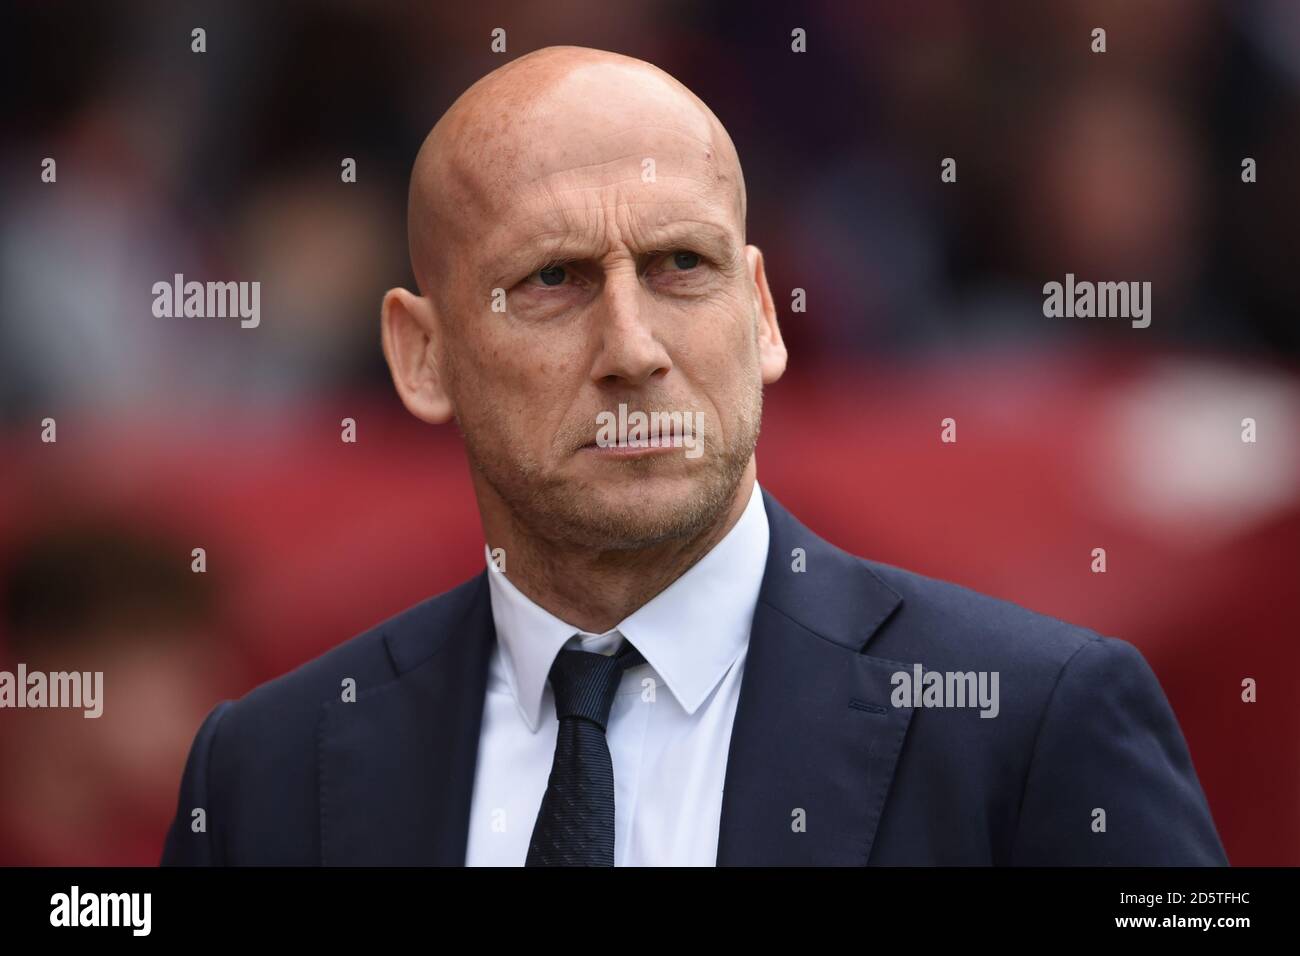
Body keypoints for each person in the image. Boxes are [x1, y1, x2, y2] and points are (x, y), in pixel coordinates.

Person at [161, 46, 1226, 866]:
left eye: (681, 264)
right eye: (554, 279)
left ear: (761, 312)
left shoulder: (1035, 722)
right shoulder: (268, 773)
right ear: (423, 353)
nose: (633, 348)